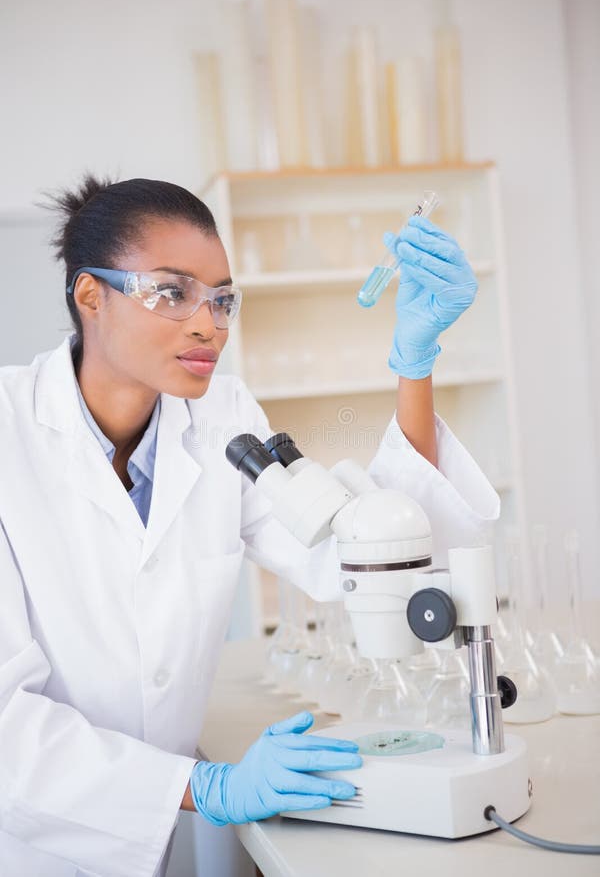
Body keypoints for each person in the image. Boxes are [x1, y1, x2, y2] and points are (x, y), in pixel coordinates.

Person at [0, 174, 499, 877]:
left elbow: (355, 557)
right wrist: (209, 786)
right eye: (172, 292)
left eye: (222, 299)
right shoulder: (9, 432)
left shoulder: (223, 416)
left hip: (148, 835)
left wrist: (414, 364)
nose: (209, 324)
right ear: (91, 296)